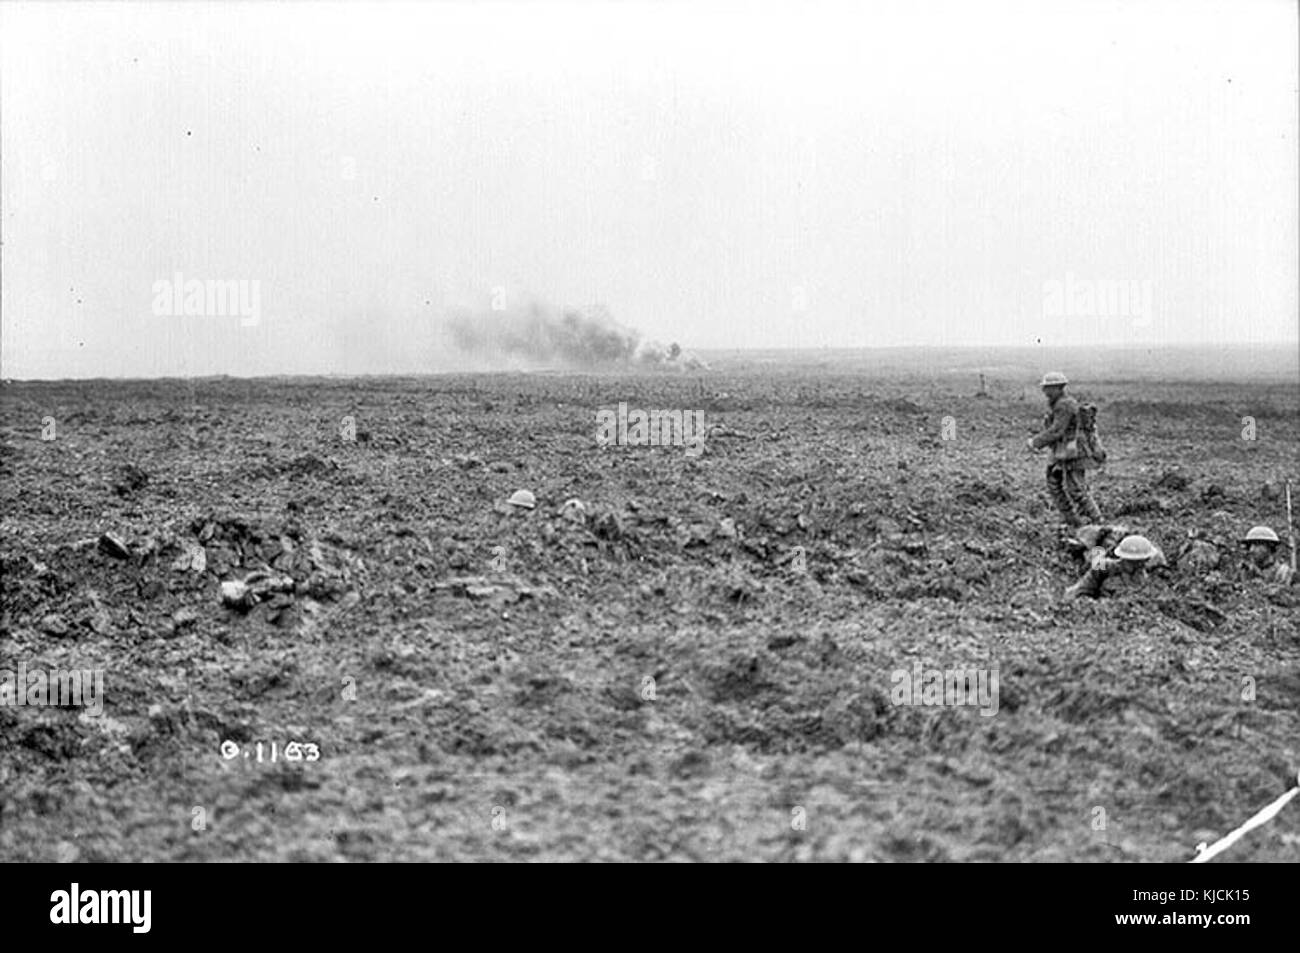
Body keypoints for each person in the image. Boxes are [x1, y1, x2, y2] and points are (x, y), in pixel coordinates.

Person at [1027, 372, 1101, 529]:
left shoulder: (1064, 405)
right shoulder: (1060, 403)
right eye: (1044, 388)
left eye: (1048, 388)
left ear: (1059, 388)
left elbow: (1056, 430)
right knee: (1054, 481)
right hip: (1064, 451)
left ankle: (1097, 522)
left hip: (1076, 452)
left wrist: (1035, 442)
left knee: (1076, 489)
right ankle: (1073, 520)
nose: (1045, 392)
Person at [1064, 533, 1166, 599]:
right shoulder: (1105, 565)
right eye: (1131, 562)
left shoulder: (1146, 575)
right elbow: (1084, 585)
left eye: (1141, 562)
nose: (1139, 565)